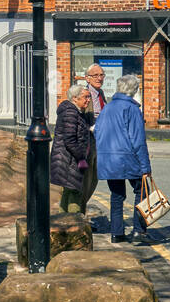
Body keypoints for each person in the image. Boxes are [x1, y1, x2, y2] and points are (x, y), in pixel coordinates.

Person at [93, 74, 152, 242]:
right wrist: (146, 167)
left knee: (117, 195)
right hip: (127, 158)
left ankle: (117, 234)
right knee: (142, 191)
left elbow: (97, 131)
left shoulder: (107, 108)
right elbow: (138, 140)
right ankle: (138, 231)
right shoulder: (132, 108)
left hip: (108, 160)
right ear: (134, 89)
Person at [50, 81, 92, 215]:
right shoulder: (71, 112)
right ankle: (74, 225)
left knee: (68, 190)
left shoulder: (76, 112)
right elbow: (70, 139)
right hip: (69, 160)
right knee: (75, 192)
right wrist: (81, 158)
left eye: (89, 97)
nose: (88, 100)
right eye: (85, 97)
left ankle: (63, 223)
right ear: (75, 98)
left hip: (68, 159)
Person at [81, 64, 107, 221]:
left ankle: (81, 215)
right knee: (86, 181)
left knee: (94, 179)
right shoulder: (85, 94)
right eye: (95, 75)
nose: (99, 78)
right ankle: (80, 217)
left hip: (99, 142)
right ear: (87, 78)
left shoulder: (100, 93)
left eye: (102, 75)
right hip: (88, 143)